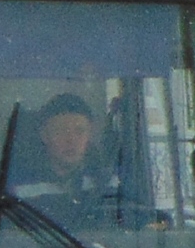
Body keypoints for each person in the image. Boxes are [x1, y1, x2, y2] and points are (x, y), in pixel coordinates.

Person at [8, 93, 118, 226]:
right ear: (44, 135)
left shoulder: (108, 182)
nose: (71, 140)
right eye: (61, 131)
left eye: (80, 131)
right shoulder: (19, 187)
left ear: (89, 135)